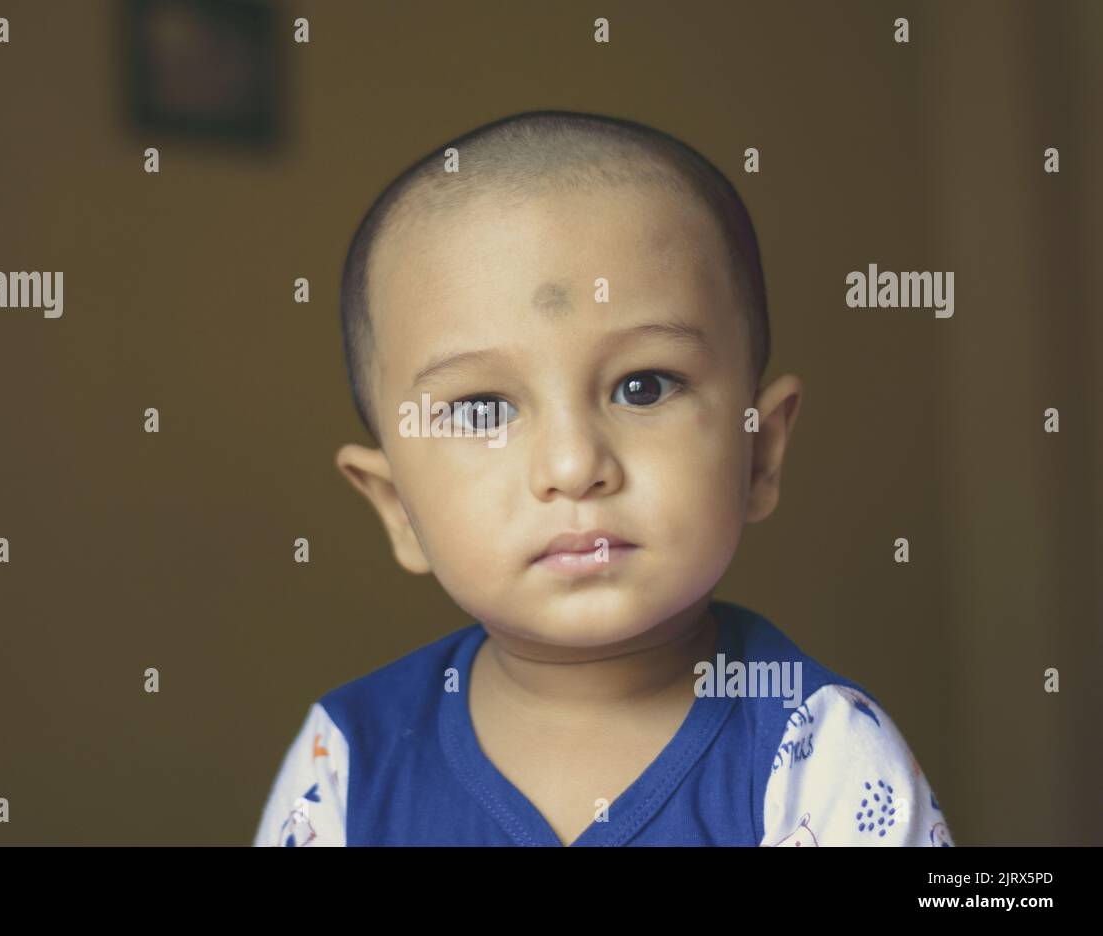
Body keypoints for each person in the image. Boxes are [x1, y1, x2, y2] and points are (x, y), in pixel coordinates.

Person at [253, 109, 952, 847]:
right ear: (395, 505)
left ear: (761, 450)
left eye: (644, 387)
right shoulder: (346, 761)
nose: (572, 466)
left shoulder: (817, 751)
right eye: (484, 408)